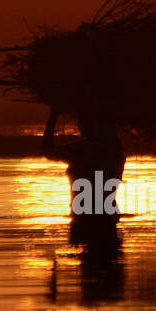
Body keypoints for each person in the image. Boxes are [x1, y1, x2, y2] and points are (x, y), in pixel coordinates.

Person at [42, 106, 126, 249]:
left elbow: (48, 151)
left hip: (84, 218)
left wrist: (53, 116)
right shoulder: (116, 151)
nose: (79, 125)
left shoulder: (83, 150)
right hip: (105, 217)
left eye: (84, 121)